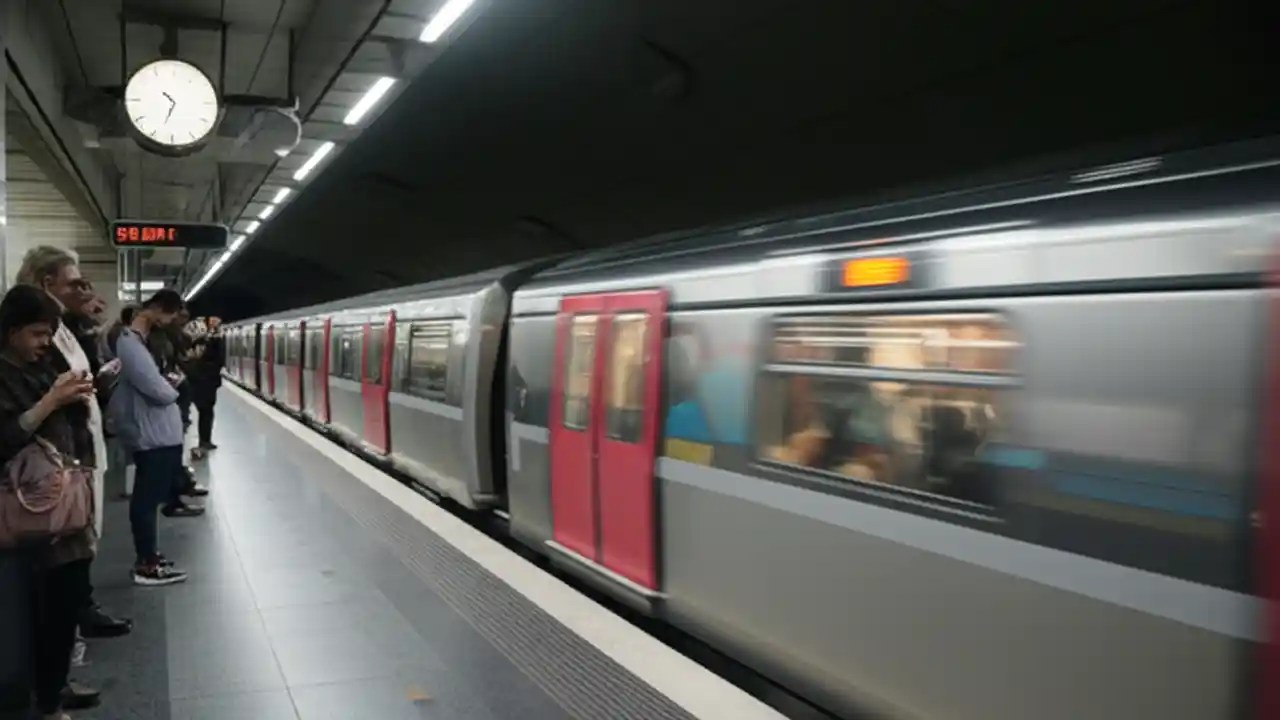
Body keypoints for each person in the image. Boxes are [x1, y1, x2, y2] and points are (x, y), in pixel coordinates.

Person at [0, 285, 101, 720]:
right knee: (30, 619)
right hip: (25, 514)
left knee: (64, 607)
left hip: (62, 511)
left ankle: (51, 693)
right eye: (38, 334)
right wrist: (53, 400)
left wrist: (82, 396)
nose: (45, 343)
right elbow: (6, 436)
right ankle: (36, 701)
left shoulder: (40, 367)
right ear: (11, 331)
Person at [108, 289, 190, 586]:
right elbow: (156, 389)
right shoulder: (129, 343)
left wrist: (166, 384)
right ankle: (146, 563)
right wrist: (173, 389)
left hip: (157, 432)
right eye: (170, 315)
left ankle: (151, 556)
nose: (169, 322)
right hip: (150, 434)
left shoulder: (138, 343)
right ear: (158, 310)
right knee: (146, 500)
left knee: (150, 497)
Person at [191, 317, 224, 455]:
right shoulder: (210, 343)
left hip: (204, 382)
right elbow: (218, 359)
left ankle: (205, 440)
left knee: (206, 412)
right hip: (207, 382)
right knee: (206, 412)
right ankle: (205, 441)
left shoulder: (203, 344)